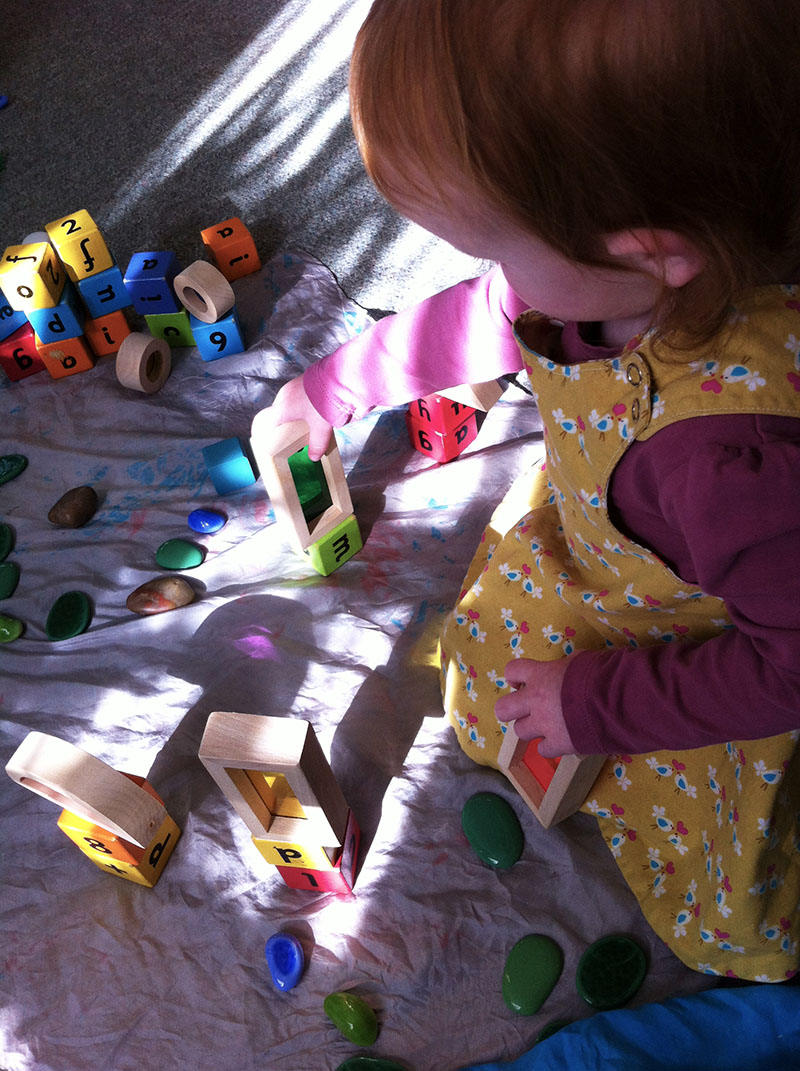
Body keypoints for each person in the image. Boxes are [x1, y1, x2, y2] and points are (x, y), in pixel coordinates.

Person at [264, 0, 800, 981]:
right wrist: (328, 393)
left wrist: (599, 703)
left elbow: (783, 669)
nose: (490, 279)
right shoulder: (626, 274)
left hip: (705, 651)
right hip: (625, 551)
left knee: (731, 897)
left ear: (645, 253)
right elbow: (484, 319)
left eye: (496, 249)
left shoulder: (732, 471)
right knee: (499, 675)